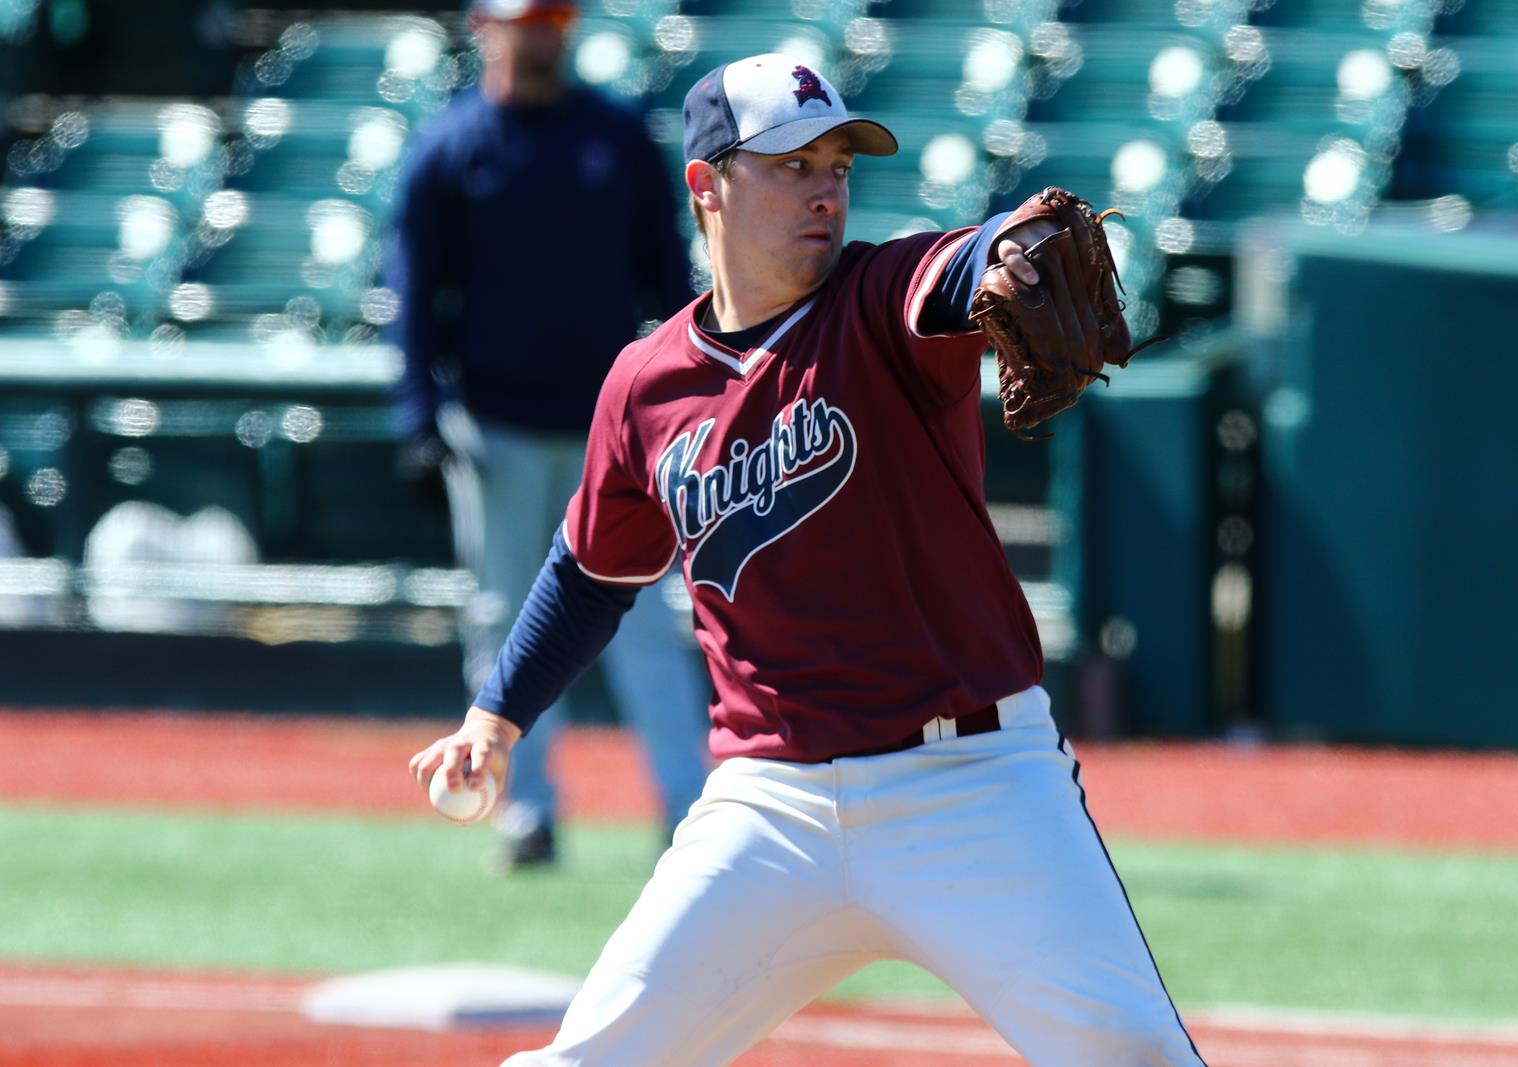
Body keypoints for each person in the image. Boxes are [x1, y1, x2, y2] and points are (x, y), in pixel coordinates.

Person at [410, 53, 1207, 1064]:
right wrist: (495, 717)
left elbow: (955, 271)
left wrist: (1004, 245)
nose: (825, 188)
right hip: (769, 804)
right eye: (790, 164)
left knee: (1136, 1054)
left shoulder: (877, 298)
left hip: (970, 783)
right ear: (706, 186)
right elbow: (588, 573)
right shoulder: (646, 386)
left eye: (837, 164)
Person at [390, 0, 708, 868]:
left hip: (616, 430)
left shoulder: (615, 137)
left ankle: (689, 807)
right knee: (502, 615)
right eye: (526, 18)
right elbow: (411, 292)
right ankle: (523, 811)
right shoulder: (452, 146)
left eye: (553, 17)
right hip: (494, 425)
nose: (540, 33)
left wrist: (693, 391)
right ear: (485, 27)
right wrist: (416, 417)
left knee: (646, 619)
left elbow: (668, 278)